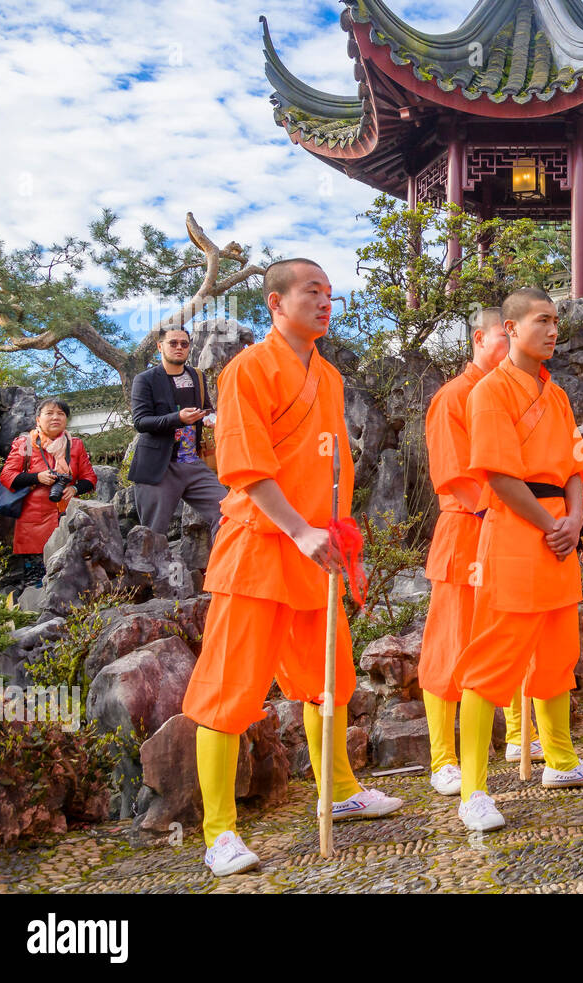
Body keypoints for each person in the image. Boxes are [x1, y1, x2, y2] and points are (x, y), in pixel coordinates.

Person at [181, 258, 404, 877]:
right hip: (260, 544)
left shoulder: (329, 376)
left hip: (317, 546)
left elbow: (333, 472)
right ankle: (219, 831)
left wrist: (329, 530)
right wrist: (299, 528)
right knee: (230, 688)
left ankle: (338, 788)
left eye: (331, 294)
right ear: (276, 303)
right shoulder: (246, 369)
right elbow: (246, 466)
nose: (326, 302)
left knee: (327, 677)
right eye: (313, 292)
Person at [453, 287, 583, 833]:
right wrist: (552, 524)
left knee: (555, 656)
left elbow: (574, 467)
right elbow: (499, 475)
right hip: (517, 531)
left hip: (560, 533)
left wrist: (574, 518)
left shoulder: (558, 395)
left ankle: (563, 762)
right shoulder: (490, 392)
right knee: (492, 663)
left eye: (555, 321)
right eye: (542, 321)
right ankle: (473, 789)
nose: (552, 330)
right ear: (511, 329)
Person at [419, 307, 534, 797]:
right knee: (451, 644)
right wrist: (504, 516)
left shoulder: (517, 394)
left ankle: (513, 735)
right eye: (502, 338)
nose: (511, 347)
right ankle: (443, 758)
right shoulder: (454, 397)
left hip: (508, 530)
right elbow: (456, 476)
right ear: (480, 338)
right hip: (469, 528)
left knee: (502, 637)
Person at [130, 325, 228, 543]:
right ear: (160, 346)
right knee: (152, 536)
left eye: (184, 344)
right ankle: (147, 577)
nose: (179, 348)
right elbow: (141, 421)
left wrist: (211, 418)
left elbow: (206, 408)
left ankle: (220, 574)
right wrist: (178, 419)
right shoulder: (145, 380)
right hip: (158, 466)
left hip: (193, 462)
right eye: (172, 343)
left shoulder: (197, 376)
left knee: (228, 513)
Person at [0, 399, 98, 586]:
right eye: (49, 413)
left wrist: (75, 488)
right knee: (37, 582)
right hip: (33, 521)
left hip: (66, 517)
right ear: (38, 419)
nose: (55, 417)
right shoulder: (26, 443)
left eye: (61, 414)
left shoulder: (75, 444)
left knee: (70, 577)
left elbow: (90, 478)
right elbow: (7, 475)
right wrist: (37, 477)